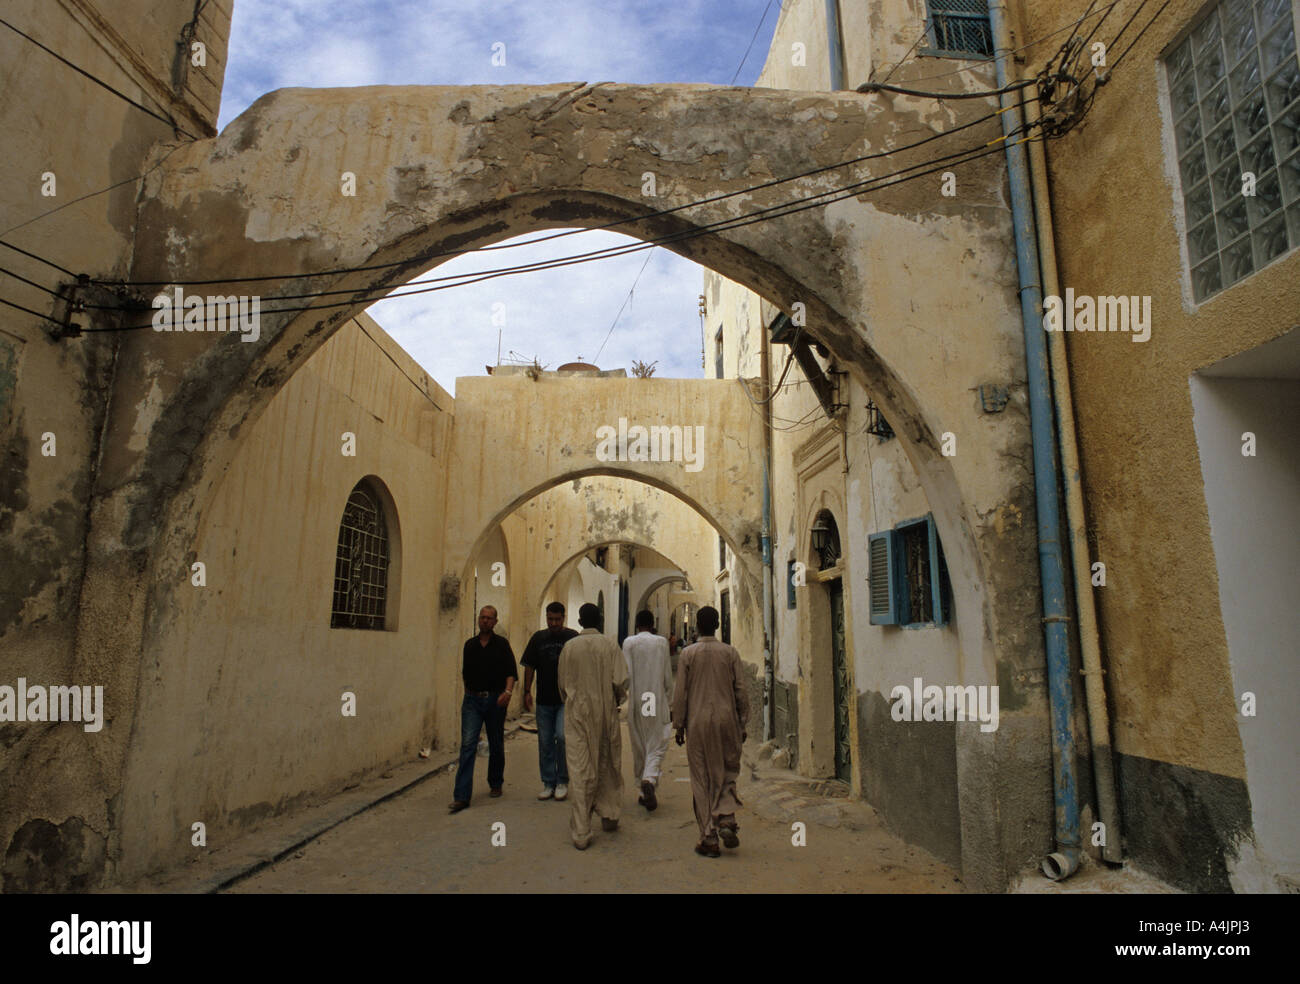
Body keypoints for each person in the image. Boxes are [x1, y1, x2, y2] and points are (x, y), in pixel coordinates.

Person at [671, 605, 749, 858]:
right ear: (717, 625)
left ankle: (709, 837)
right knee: (727, 770)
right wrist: (742, 723)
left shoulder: (688, 654)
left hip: (698, 722)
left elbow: (680, 693)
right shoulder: (730, 653)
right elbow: (741, 691)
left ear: (697, 627)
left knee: (702, 778)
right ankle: (726, 817)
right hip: (727, 721)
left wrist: (679, 723)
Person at [557, 603, 628, 850]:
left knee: (579, 767)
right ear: (600, 619)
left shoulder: (569, 647)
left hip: (577, 713)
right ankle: (609, 814)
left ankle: (581, 830)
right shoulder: (609, 644)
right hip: (605, 711)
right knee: (607, 761)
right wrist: (617, 698)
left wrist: (572, 702)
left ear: (579, 620)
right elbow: (620, 680)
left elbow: (562, 684)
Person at [448, 606, 517, 813]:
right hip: (472, 701)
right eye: (482, 617)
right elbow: (465, 673)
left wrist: (508, 692)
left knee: (496, 742)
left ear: (495, 622)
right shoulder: (469, 645)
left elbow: (511, 672)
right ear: (478, 620)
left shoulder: (502, 645)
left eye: (489, 618)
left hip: (495, 700)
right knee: (468, 745)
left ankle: (495, 782)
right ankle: (461, 796)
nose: (485, 621)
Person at [520, 601, 578, 801]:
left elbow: (580, 666)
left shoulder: (572, 638)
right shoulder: (538, 638)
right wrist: (527, 691)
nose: (553, 623)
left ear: (563, 618)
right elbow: (529, 665)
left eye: (557, 619)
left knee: (562, 738)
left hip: (565, 699)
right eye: (550, 619)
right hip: (544, 700)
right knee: (545, 742)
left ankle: (562, 780)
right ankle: (548, 782)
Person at [623, 610, 674, 811]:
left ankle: (643, 787)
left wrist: (622, 698)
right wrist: (669, 701)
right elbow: (667, 677)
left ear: (637, 625)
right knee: (656, 742)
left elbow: (625, 675)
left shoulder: (629, 643)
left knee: (639, 744)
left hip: (637, 699)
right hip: (652, 698)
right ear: (652, 624)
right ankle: (649, 779)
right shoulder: (661, 643)